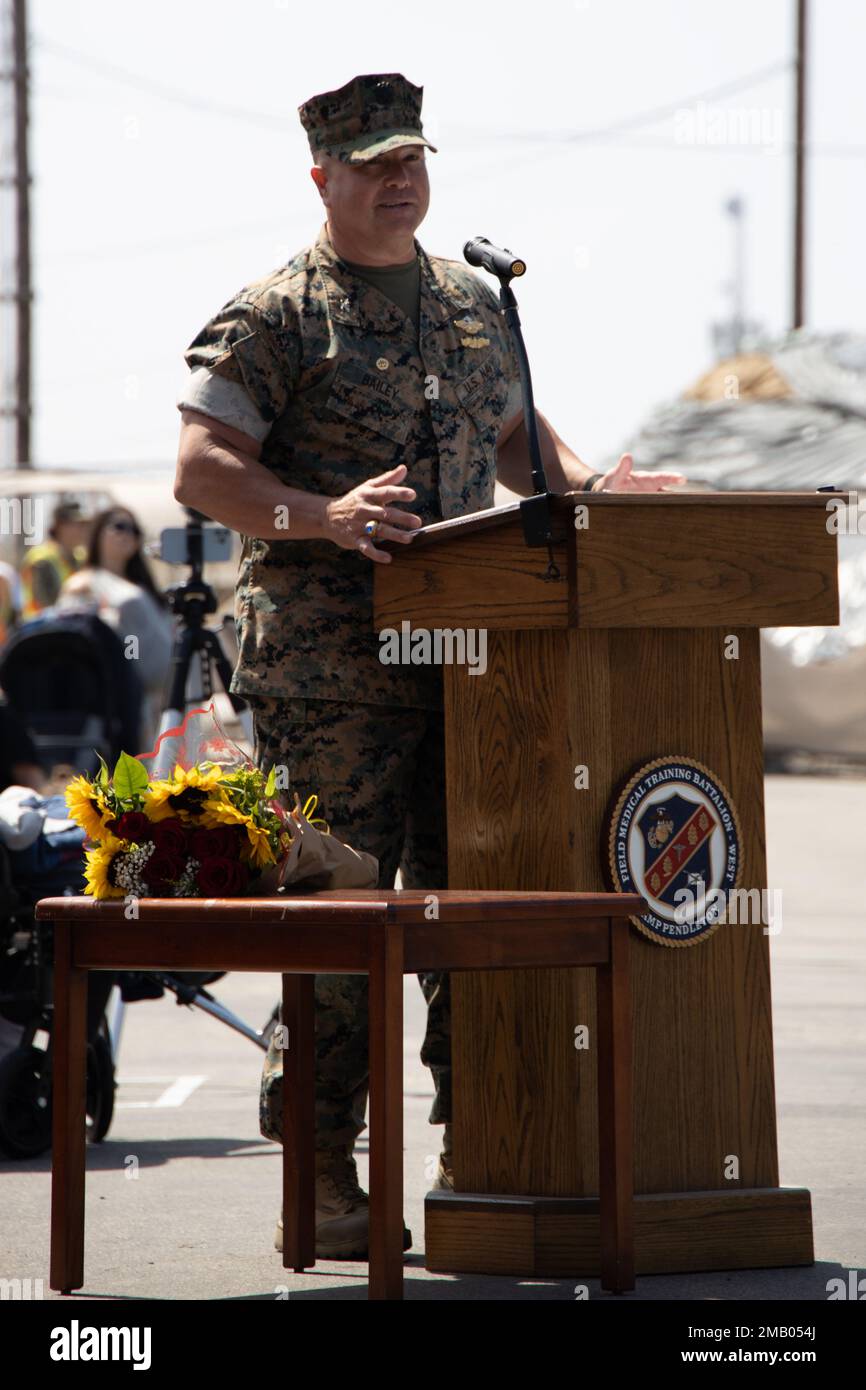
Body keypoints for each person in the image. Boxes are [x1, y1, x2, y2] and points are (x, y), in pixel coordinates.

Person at [173, 71, 686, 1260]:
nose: (401, 181)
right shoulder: (277, 313)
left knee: (472, 919)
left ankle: (483, 1155)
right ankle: (325, 1174)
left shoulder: (470, 300)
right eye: (373, 165)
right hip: (328, 676)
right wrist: (322, 513)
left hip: (476, 672)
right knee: (339, 928)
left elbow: (513, 440)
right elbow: (203, 469)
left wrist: (594, 488)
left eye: (413, 159)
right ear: (323, 180)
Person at [58, 507, 174, 750]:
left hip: (161, 704)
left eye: (134, 530)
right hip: (118, 704)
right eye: (119, 526)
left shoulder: (145, 588)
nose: (127, 534)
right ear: (98, 533)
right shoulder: (82, 585)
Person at [19, 501, 91, 618]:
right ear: (60, 526)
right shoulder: (42, 558)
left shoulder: (81, 557)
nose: (83, 530)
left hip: (69, 626)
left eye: (85, 525)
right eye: (78, 525)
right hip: (40, 628)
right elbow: (47, 604)